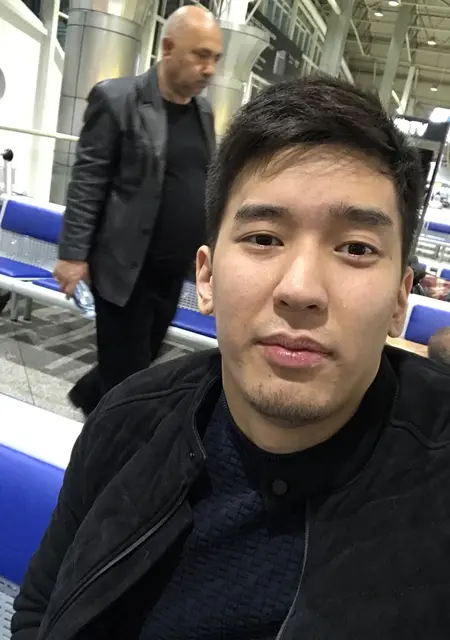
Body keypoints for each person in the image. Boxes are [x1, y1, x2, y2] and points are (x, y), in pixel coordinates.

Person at [12, 76, 450, 640]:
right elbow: (41, 609)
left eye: (356, 248)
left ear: (399, 301)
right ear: (207, 277)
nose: (300, 289)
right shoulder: (127, 423)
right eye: (264, 238)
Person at [53, 6, 223, 417]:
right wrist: (73, 255)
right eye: (201, 55)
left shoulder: (202, 113)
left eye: (215, 58)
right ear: (167, 47)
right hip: (124, 270)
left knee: (136, 361)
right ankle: (109, 444)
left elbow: (203, 181)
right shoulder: (117, 100)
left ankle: (89, 398)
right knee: (129, 382)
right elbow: (88, 181)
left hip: (172, 272)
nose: (210, 69)